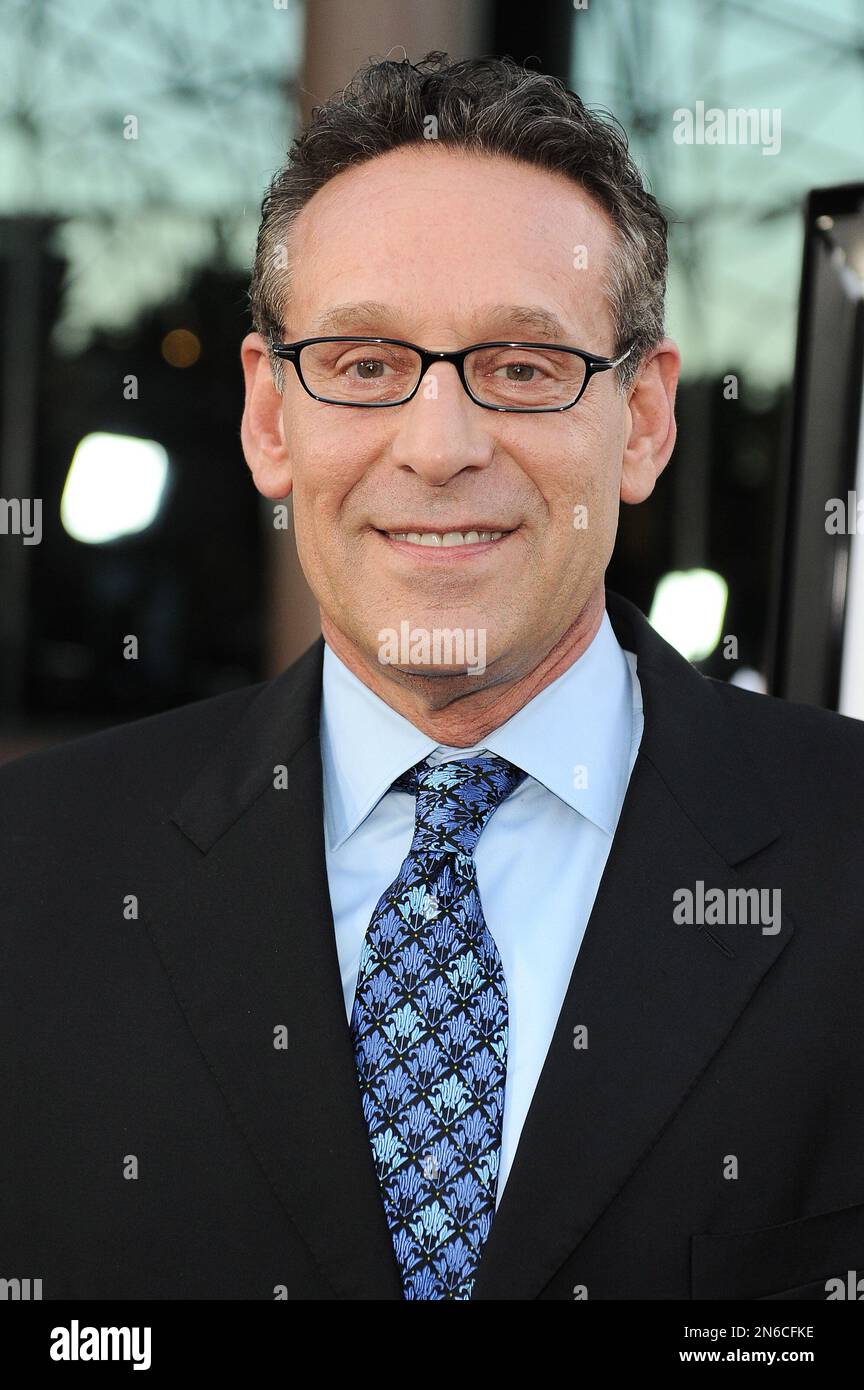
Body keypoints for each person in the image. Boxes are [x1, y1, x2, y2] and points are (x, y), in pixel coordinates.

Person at [2, 52, 863, 1303]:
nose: (441, 446)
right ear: (267, 416)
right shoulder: (33, 878)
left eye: (523, 366)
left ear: (645, 420)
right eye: (363, 364)